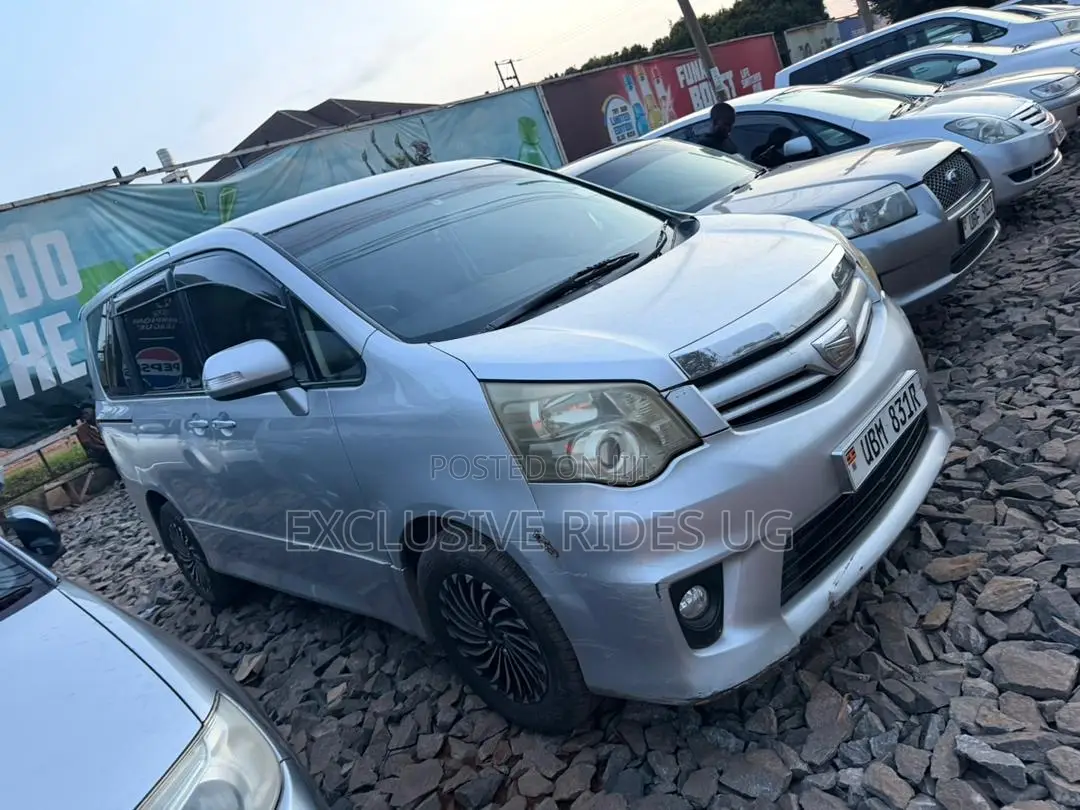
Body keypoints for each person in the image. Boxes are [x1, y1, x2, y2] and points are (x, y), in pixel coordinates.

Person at [75, 405, 117, 472]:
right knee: (111, 457)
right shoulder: (82, 429)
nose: (85, 415)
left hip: (111, 447)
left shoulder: (102, 423)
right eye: (83, 414)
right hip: (100, 453)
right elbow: (90, 444)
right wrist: (107, 448)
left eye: (87, 413)